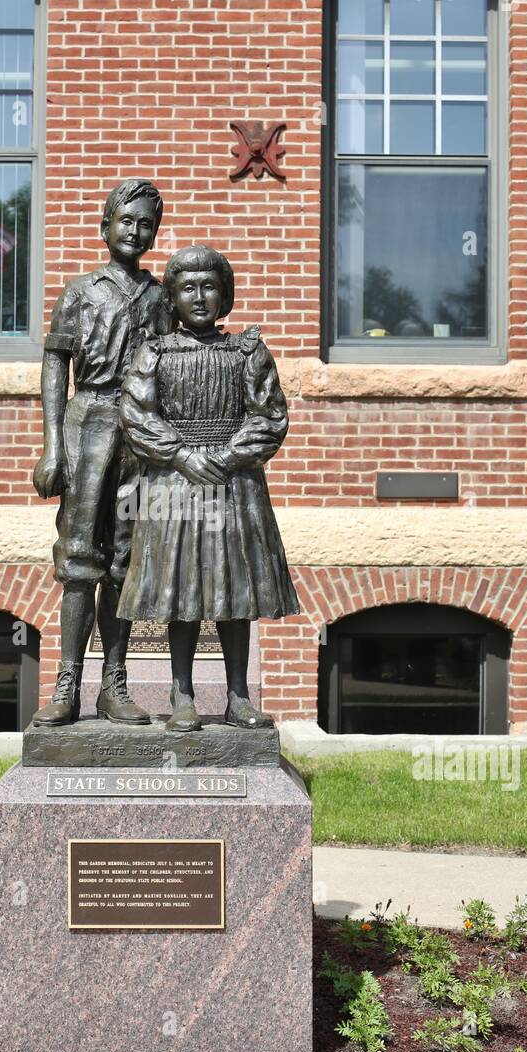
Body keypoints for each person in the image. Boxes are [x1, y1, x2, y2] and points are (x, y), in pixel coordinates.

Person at [117, 245, 299, 731]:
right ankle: (181, 695)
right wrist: (183, 455)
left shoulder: (248, 352)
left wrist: (224, 457)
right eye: (187, 288)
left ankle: (239, 695)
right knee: (181, 593)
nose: (199, 297)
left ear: (225, 294)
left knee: (233, 589)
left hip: (234, 486)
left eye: (210, 286)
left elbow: (269, 417)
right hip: (172, 486)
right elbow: (136, 415)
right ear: (172, 297)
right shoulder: (152, 352)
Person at [31, 179, 172, 725]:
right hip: (87, 422)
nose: (136, 231)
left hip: (140, 431)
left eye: (146, 224)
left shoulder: (161, 297)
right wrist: (51, 445)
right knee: (79, 559)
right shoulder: (79, 292)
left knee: (124, 561)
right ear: (105, 226)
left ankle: (114, 682)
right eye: (127, 221)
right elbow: (53, 366)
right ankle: (67, 681)